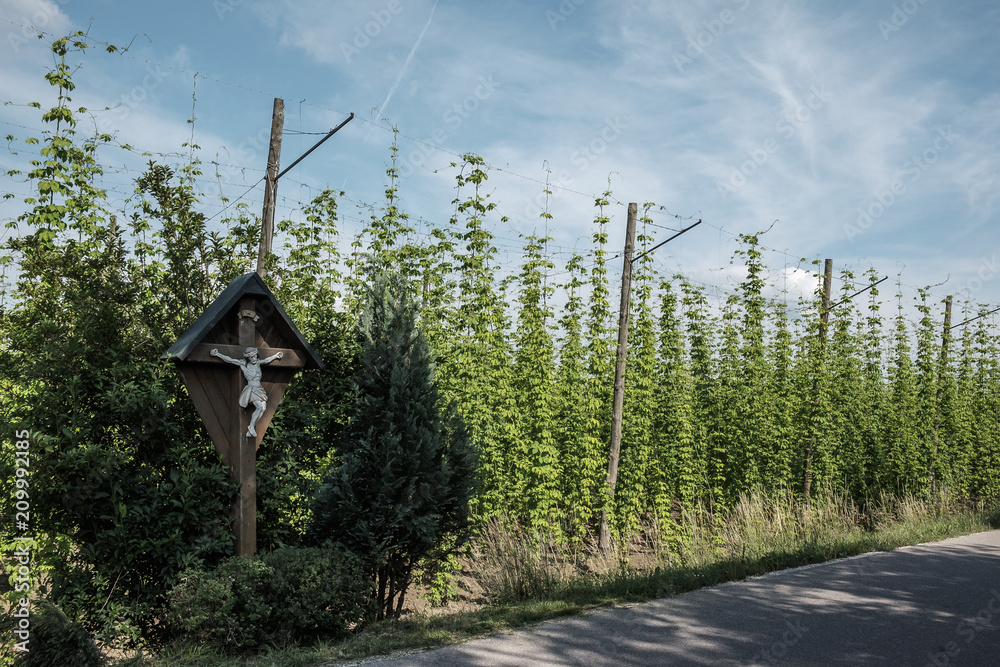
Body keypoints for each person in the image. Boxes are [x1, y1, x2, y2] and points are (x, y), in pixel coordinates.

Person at [210, 346, 283, 437]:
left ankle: (250, 428)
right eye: (251, 357)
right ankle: (251, 427)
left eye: (255, 356)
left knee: (263, 408)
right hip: (251, 389)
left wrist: (276, 356)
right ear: (248, 358)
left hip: (259, 389)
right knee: (259, 407)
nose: (253, 359)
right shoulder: (243, 364)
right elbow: (230, 360)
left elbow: (267, 360)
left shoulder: (258, 363)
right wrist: (217, 354)